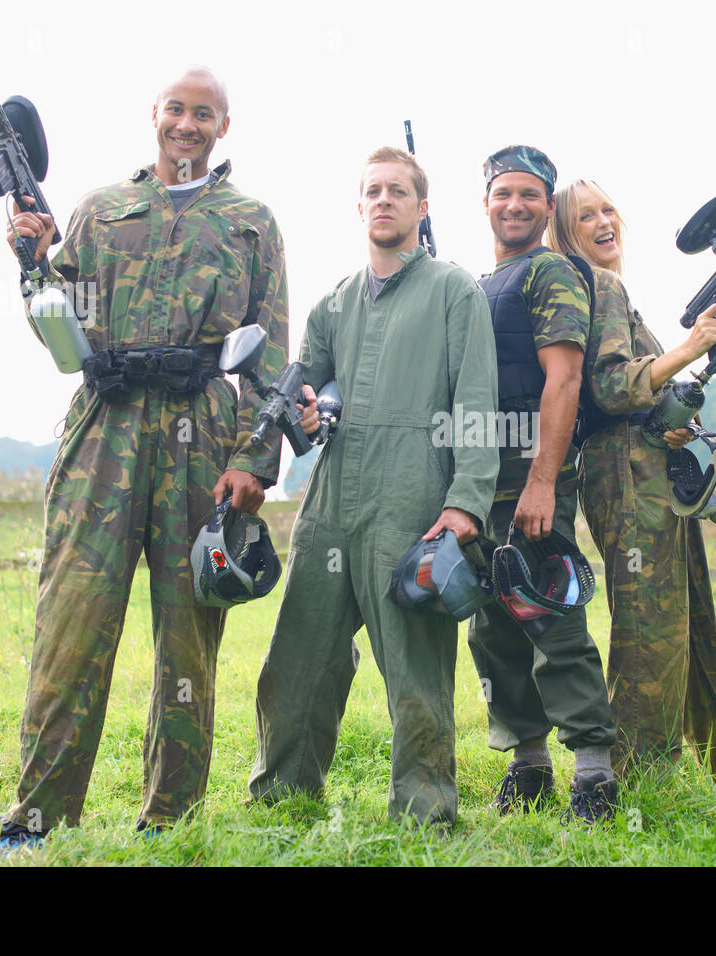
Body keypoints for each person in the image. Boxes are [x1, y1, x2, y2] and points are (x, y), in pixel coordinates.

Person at [0, 67, 288, 847]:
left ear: (225, 127)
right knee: (71, 620)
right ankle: (37, 814)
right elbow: (63, 329)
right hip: (104, 429)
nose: (187, 125)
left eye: (205, 114)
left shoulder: (251, 221)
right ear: (153, 117)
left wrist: (255, 458)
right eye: (176, 110)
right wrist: (33, 263)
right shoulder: (98, 211)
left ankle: (172, 817)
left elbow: (271, 352)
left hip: (202, 430)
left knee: (189, 631)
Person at [248, 147, 498, 827]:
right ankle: (284, 797)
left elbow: (477, 399)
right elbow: (306, 392)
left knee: (414, 674)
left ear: (423, 208)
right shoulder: (332, 303)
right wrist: (304, 411)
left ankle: (425, 813)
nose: (384, 200)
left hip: (413, 496)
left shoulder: (454, 290)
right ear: (358, 207)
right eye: (372, 191)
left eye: (398, 191)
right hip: (330, 500)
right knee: (297, 660)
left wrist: (464, 501)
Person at [546, 180, 716, 778]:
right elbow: (611, 387)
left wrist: (671, 422)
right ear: (566, 233)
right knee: (649, 629)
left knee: (687, 620)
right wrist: (691, 348)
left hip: (648, 467)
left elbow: (626, 393)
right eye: (585, 216)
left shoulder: (607, 292)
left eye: (608, 208)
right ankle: (636, 777)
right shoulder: (598, 285)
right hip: (627, 475)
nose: (603, 221)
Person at [469, 146, 619, 823]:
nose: (515, 205)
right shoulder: (476, 284)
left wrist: (542, 482)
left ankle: (594, 774)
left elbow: (564, 379)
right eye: (504, 193)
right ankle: (528, 766)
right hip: (475, 483)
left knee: (552, 621)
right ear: (487, 203)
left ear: (546, 205)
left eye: (530, 195)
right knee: (492, 632)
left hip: (530, 481)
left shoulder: (551, 270)